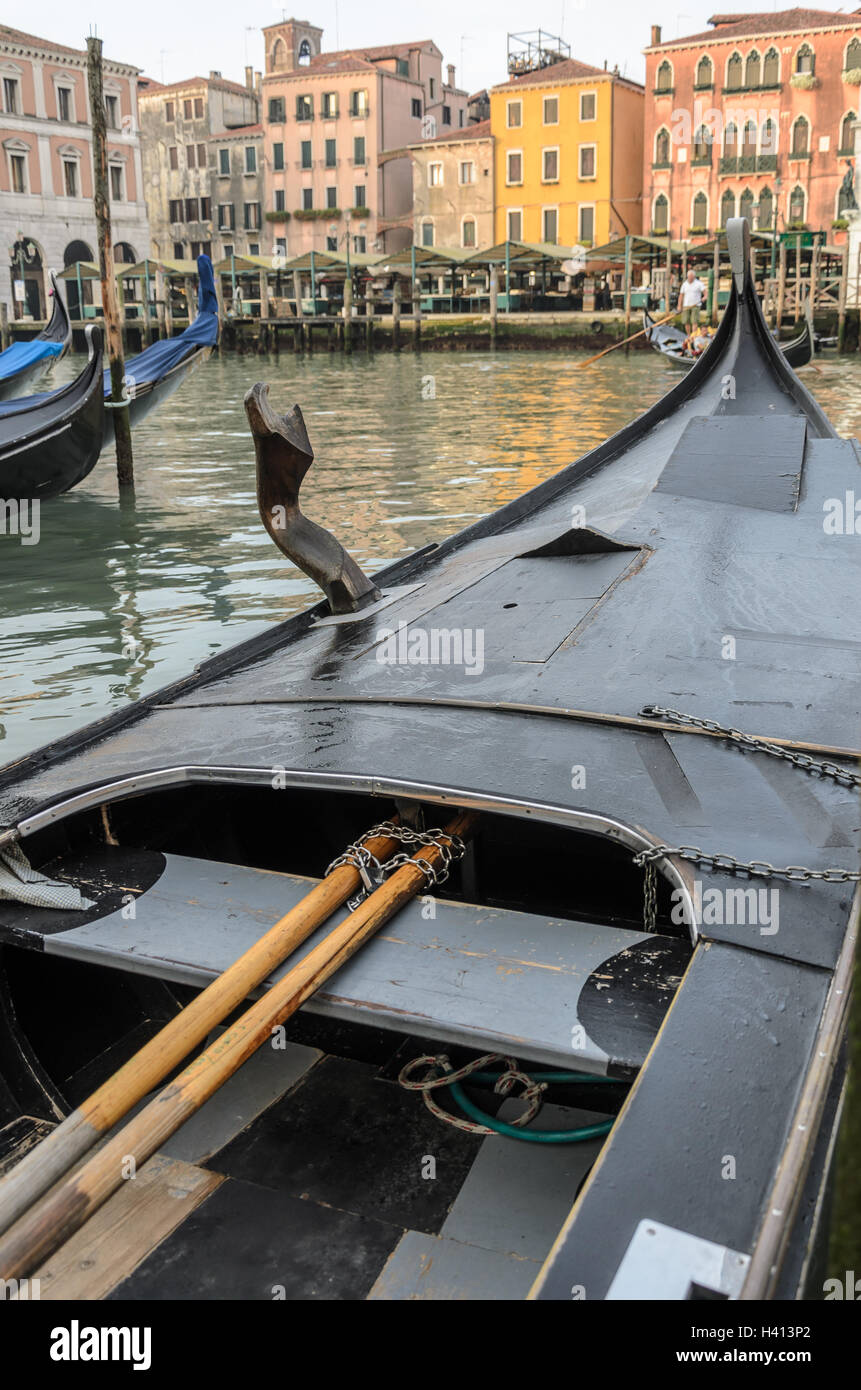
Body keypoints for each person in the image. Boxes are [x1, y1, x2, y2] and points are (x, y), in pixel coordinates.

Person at [677, 268, 706, 334]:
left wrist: (704, 297)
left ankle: (693, 335)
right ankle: (688, 335)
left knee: (694, 321)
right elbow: (681, 295)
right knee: (686, 321)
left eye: (691, 277)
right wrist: (679, 306)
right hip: (686, 305)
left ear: (694, 277)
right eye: (689, 277)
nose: (690, 278)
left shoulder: (699, 283)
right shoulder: (684, 284)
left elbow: (705, 292)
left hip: (695, 305)